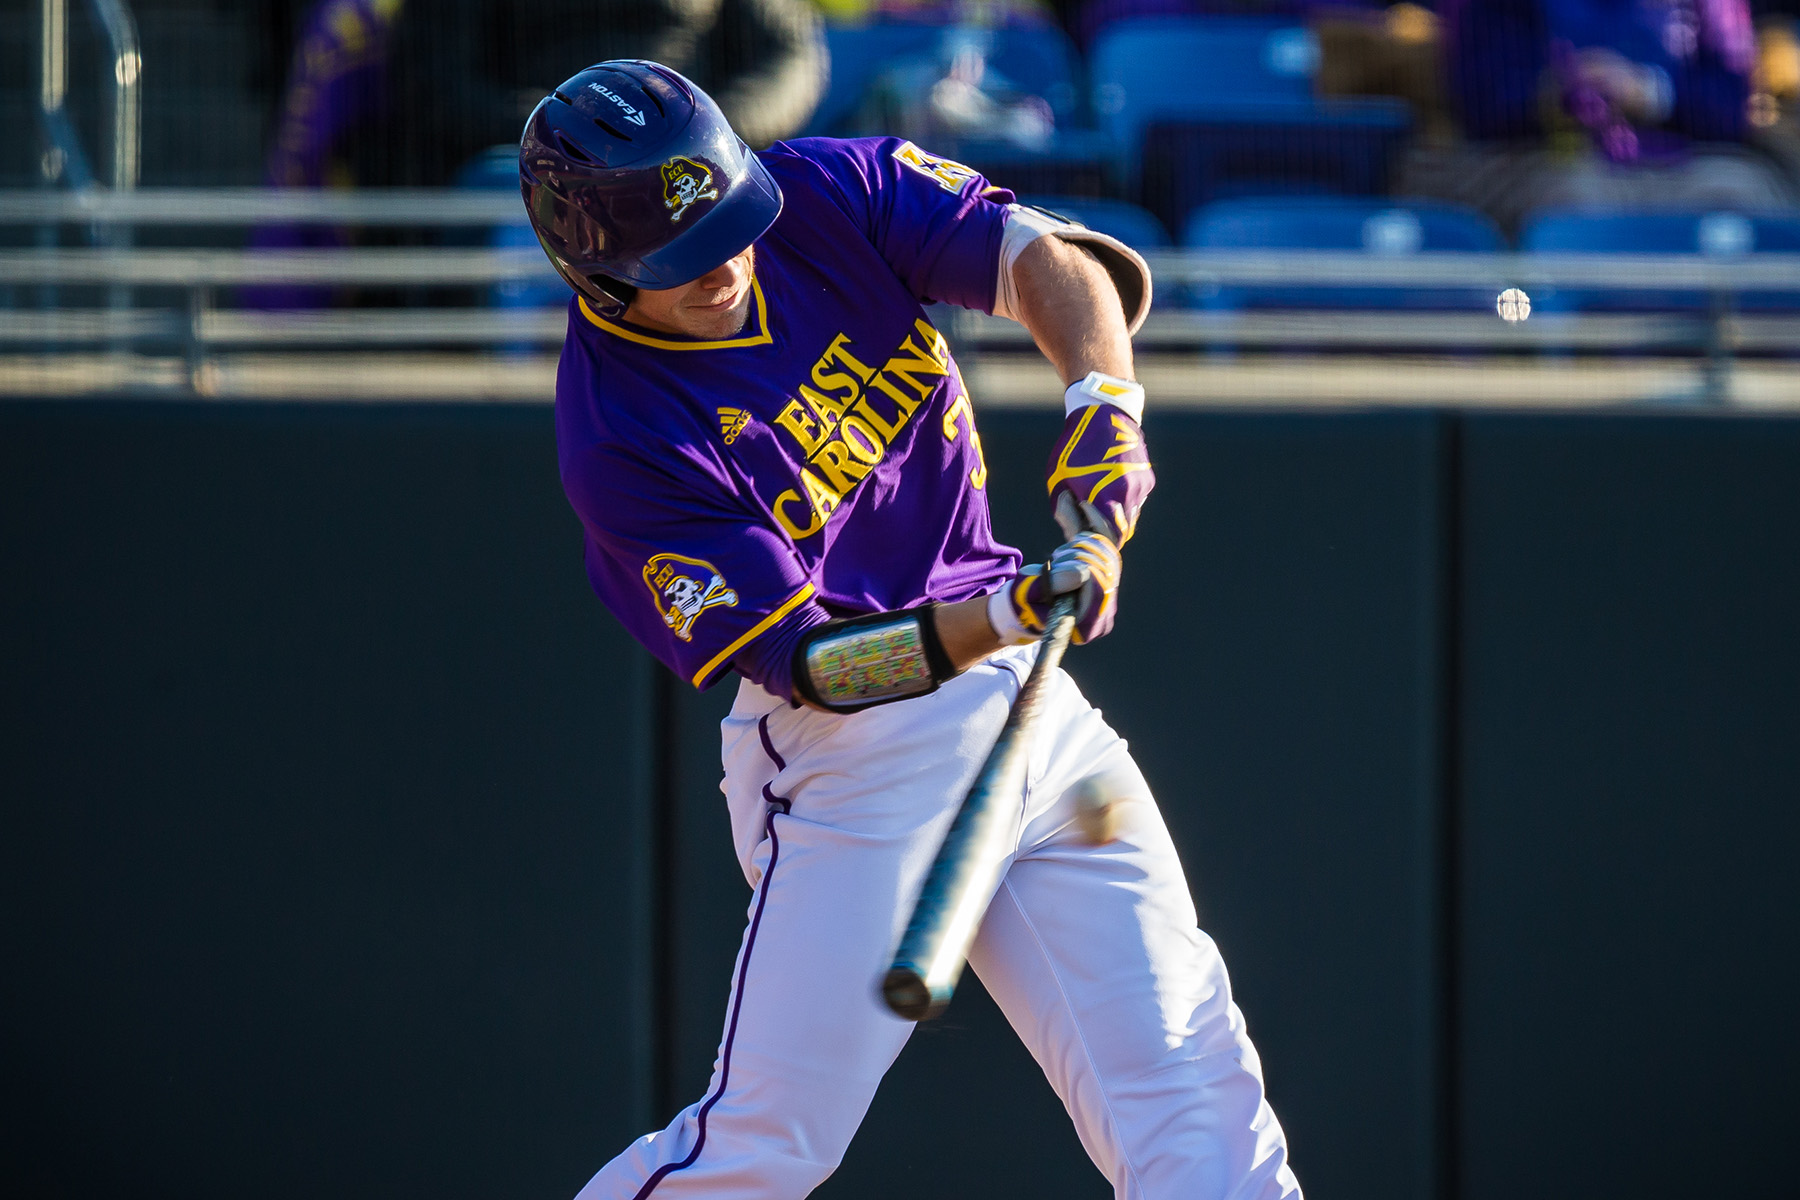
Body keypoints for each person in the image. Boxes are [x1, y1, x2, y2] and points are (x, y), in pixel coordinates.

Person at [523, 59, 1302, 1200]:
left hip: (1037, 726)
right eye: (684, 259)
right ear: (595, 271)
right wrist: (1006, 612)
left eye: (731, 226)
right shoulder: (621, 435)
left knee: (1193, 1082)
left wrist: (1104, 407)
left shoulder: (825, 191)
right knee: (765, 1142)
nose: (728, 263)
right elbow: (825, 669)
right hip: (854, 769)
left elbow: (1044, 259)